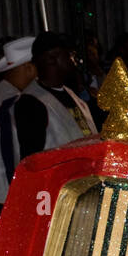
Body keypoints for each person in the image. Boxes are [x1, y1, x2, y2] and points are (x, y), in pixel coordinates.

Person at [14, 32, 96, 160]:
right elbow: (32, 160)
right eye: (69, 55)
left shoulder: (70, 93)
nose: (74, 60)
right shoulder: (30, 103)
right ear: (51, 59)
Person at [0, 36, 36, 220]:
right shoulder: (11, 104)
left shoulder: (0, 98)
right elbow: (8, 156)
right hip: (5, 202)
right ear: (28, 68)